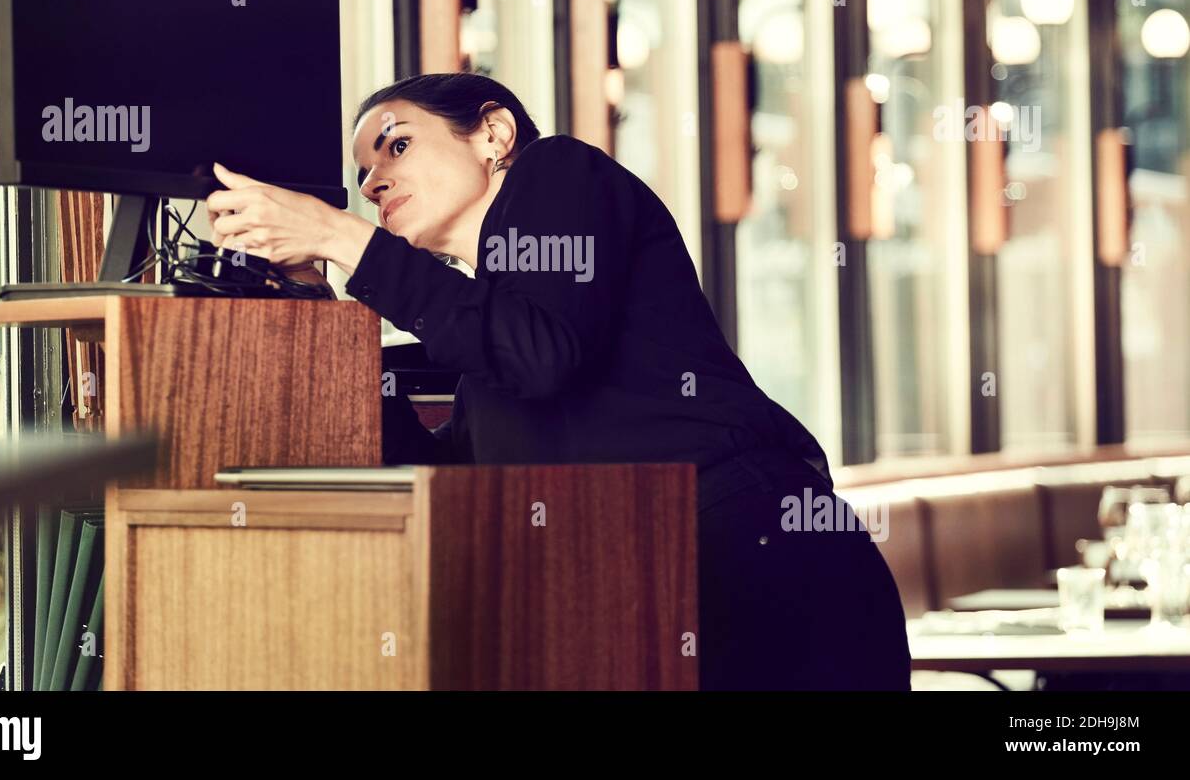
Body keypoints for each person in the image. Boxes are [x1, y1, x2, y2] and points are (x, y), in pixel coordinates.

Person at [206, 72, 912, 690]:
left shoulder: (561, 171)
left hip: (757, 570)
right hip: (654, 591)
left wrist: (341, 238)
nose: (371, 181)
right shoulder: (492, 348)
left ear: (493, 133)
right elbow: (442, 482)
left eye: (396, 145)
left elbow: (543, 355)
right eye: (362, 173)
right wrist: (313, 302)